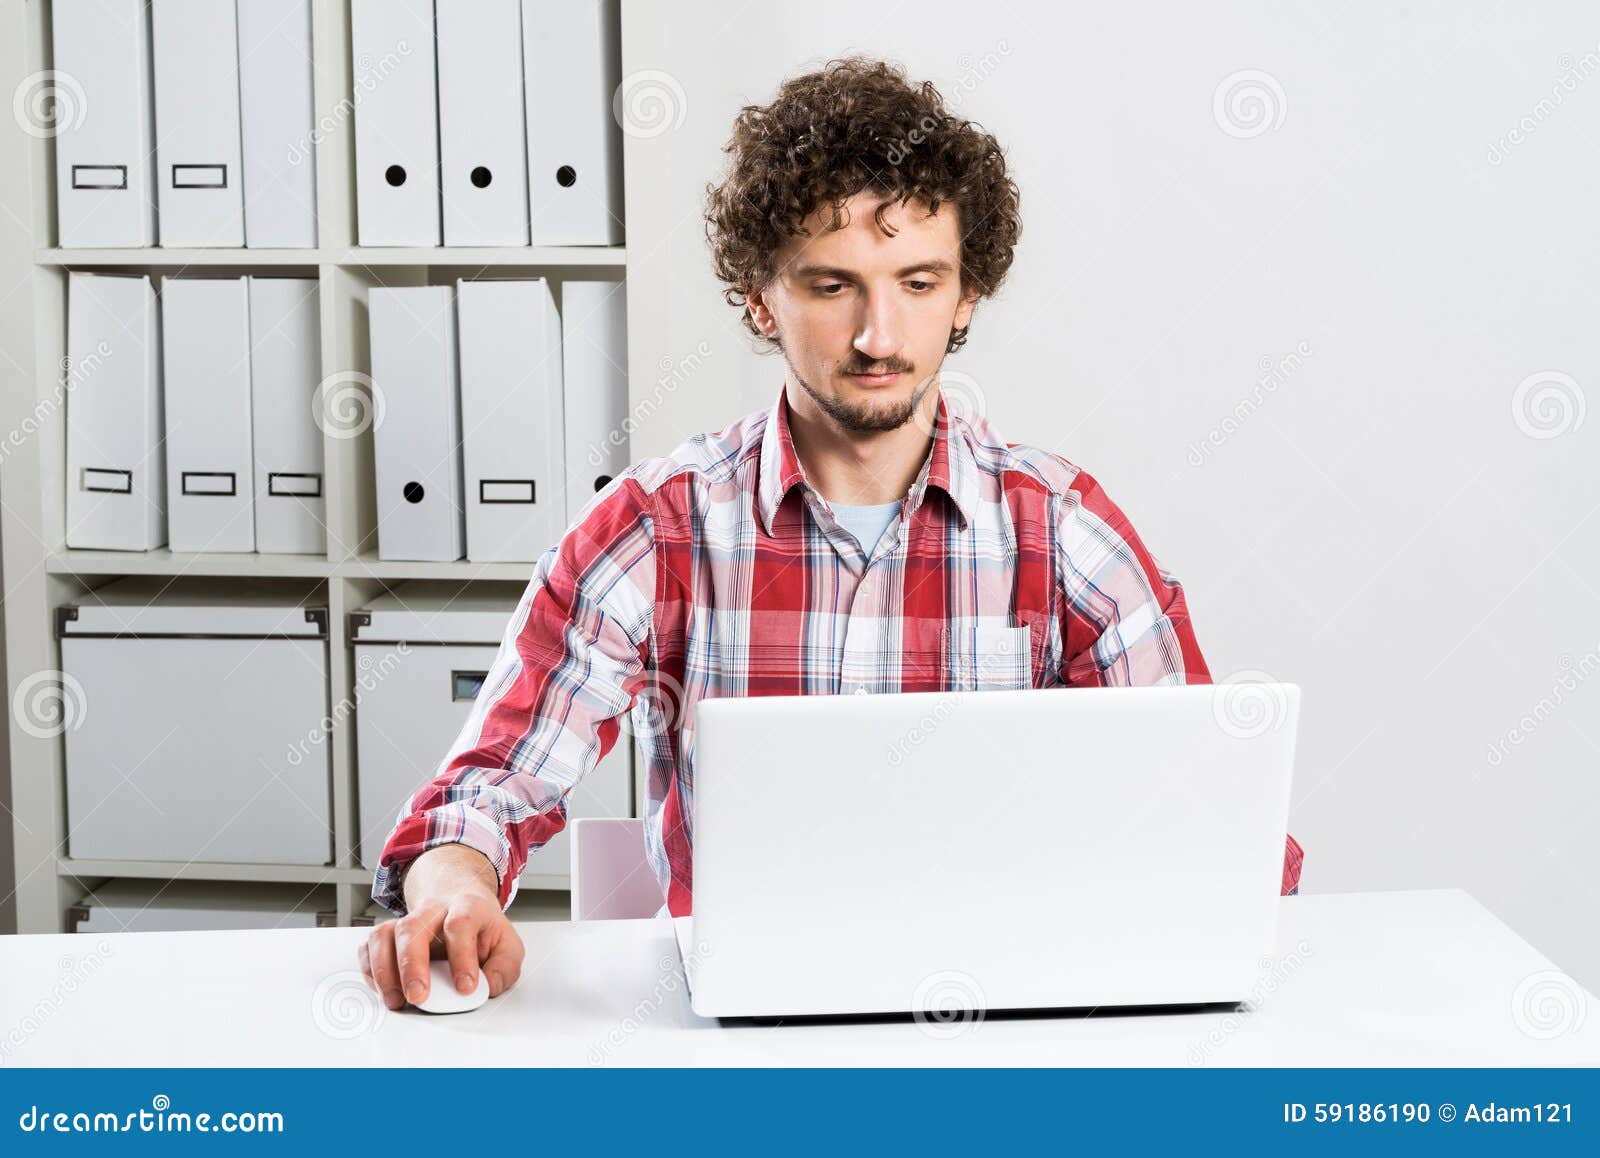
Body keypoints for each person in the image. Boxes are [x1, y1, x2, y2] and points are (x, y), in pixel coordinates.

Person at [358, 56, 1304, 1011]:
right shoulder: (656, 530)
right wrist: (454, 887)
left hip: (1008, 1018)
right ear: (761, 296)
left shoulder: (1063, 532)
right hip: (739, 1032)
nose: (878, 336)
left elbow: (1208, 809)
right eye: (831, 285)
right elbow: (492, 785)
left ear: (966, 296)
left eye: (919, 283)